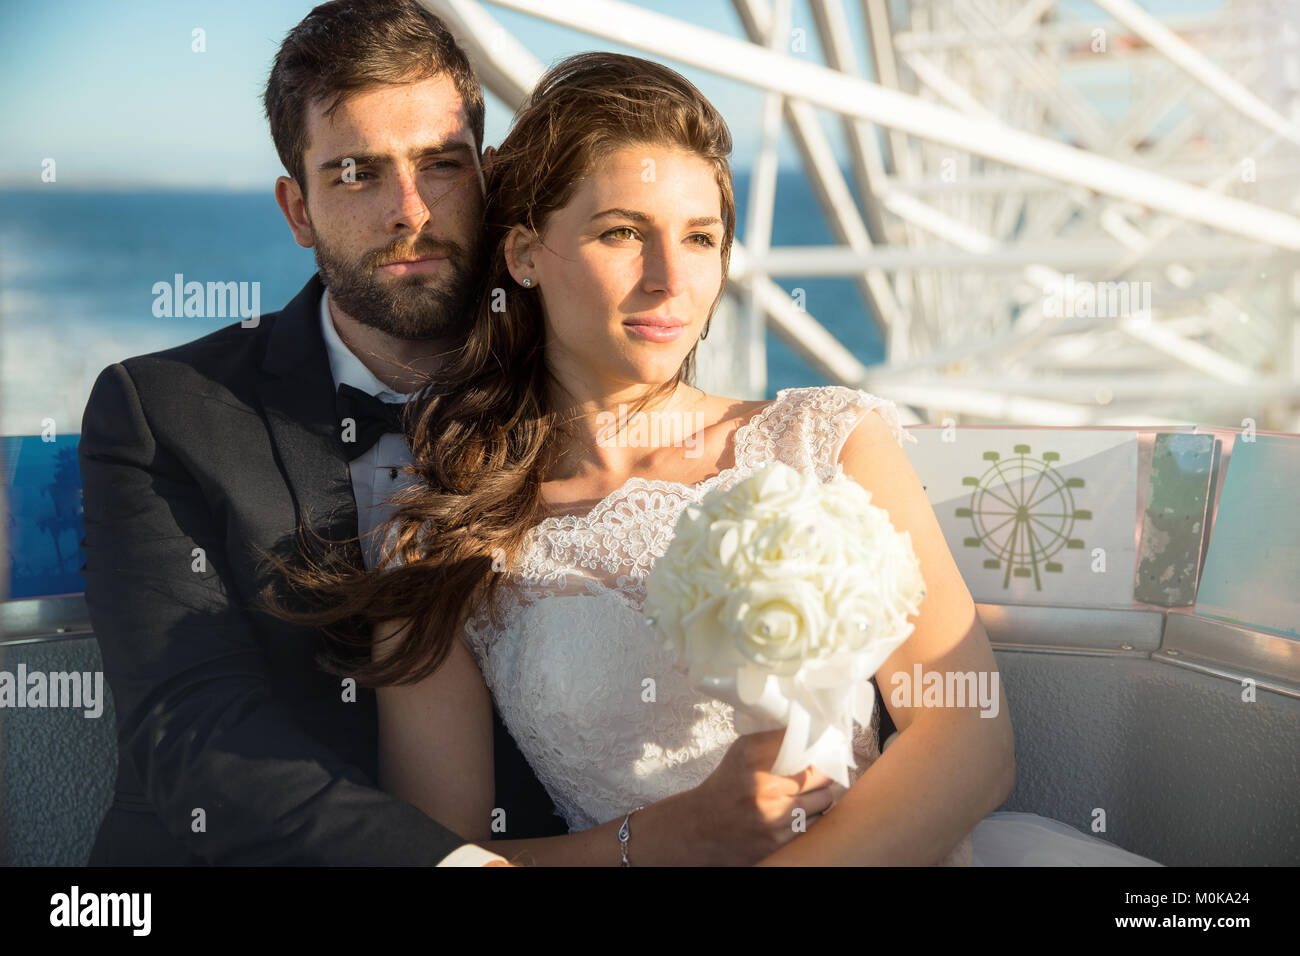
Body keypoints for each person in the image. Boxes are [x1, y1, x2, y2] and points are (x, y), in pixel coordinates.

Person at [269, 48, 1164, 866]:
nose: (670, 277)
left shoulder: (825, 439)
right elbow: (449, 855)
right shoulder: (443, 528)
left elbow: (968, 739)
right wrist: (654, 843)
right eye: (622, 232)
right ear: (525, 253)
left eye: (699, 236)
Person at [78, 0, 569, 866]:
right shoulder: (161, 412)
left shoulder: (575, 393)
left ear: (489, 177)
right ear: (297, 211)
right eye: (356, 174)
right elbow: (193, 731)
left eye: (440, 165)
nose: (408, 212)